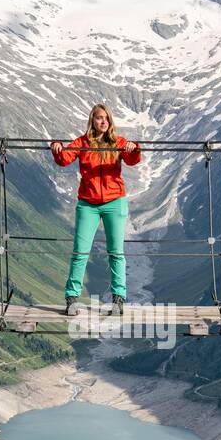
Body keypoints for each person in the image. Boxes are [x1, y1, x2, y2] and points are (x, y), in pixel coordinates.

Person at [50, 104, 141, 315]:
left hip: (114, 202)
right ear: (92, 120)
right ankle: (72, 299)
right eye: (99, 118)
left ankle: (118, 300)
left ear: (110, 121)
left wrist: (134, 147)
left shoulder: (118, 143)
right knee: (80, 252)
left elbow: (133, 159)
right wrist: (56, 147)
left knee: (116, 252)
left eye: (106, 118)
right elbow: (64, 159)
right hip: (87, 203)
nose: (103, 122)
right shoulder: (82, 143)